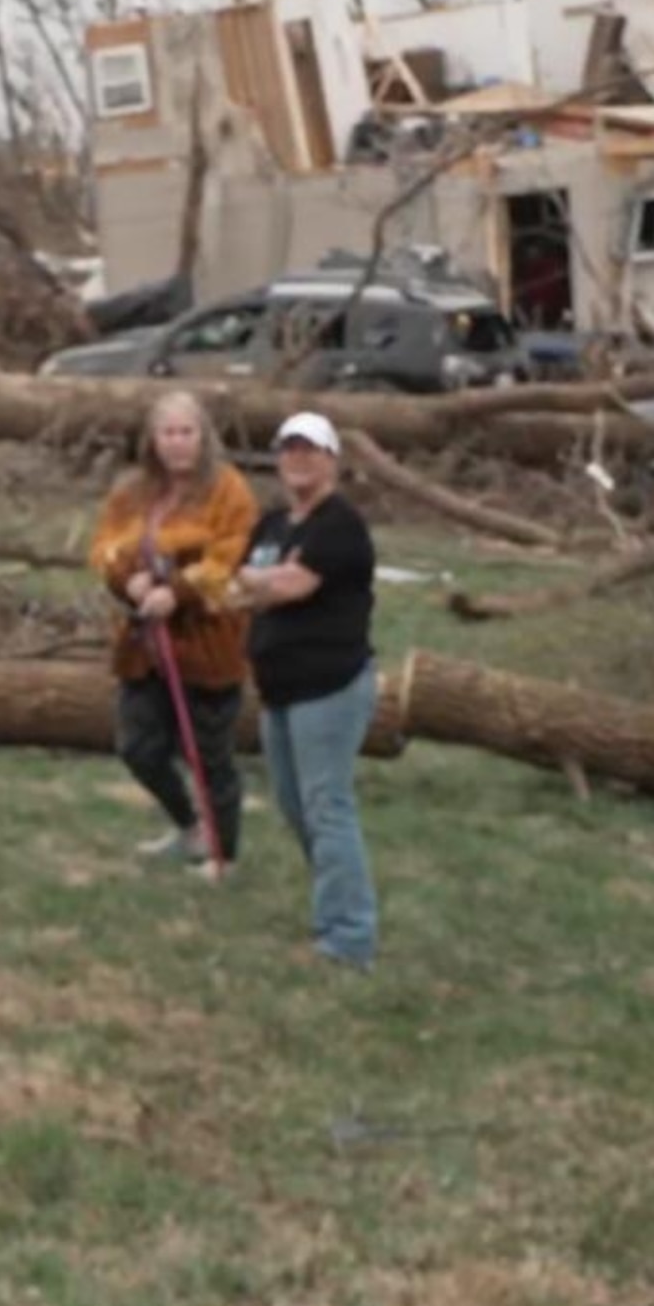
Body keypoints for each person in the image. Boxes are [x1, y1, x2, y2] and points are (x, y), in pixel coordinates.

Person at [89, 390, 257, 880]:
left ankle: (222, 853)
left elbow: (232, 556)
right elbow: (107, 547)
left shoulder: (229, 491)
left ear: (203, 437)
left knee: (208, 753)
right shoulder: (135, 490)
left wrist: (178, 591)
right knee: (137, 745)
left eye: (188, 433)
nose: (179, 443)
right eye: (169, 433)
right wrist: (129, 580)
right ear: (153, 440)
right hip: (144, 644)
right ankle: (188, 826)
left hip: (206, 640)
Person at [234, 414, 379, 967]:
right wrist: (253, 582)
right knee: (296, 808)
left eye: (311, 450)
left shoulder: (339, 525)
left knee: (327, 807)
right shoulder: (273, 524)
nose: (299, 459)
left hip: (330, 687)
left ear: (332, 460)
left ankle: (349, 938)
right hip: (279, 689)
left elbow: (291, 586)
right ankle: (333, 908)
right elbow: (243, 580)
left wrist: (259, 581)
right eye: (290, 449)